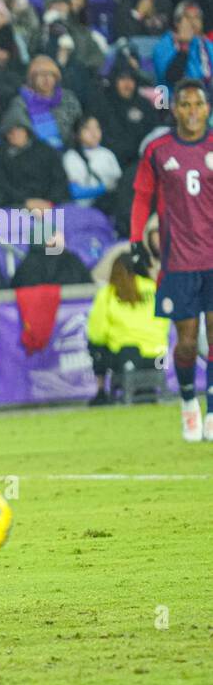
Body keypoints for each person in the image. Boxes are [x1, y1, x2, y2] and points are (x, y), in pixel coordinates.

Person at [130, 79, 213, 440]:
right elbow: (141, 197)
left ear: (208, 108)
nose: (192, 112)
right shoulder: (159, 150)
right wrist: (136, 242)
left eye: (199, 104)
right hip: (178, 261)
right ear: (175, 109)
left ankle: (211, 407)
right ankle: (187, 400)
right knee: (188, 342)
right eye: (185, 105)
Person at [86, 252, 171, 406]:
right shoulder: (154, 288)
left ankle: (100, 391)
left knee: (95, 345)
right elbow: (165, 322)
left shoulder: (108, 293)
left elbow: (97, 332)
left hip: (127, 357)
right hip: (159, 357)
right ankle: (147, 389)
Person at [0, 103, 69, 209]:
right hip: (15, 204)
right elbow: (0, 185)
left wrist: (50, 202)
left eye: (18, 129)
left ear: (27, 130)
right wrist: (25, 202)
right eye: (10, 131)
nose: (14, 134)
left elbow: (60, 180)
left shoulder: (46, 151)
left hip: (50, 204)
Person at [63, 114, 122, 210]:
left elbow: (118, 181)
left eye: (97, 128)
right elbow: (74, 192)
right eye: (87, 129)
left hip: (111, 203)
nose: (94, 133)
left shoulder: (107, 153)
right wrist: (104, 188)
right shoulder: (71, 157)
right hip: (85, 208)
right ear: (76, 134)